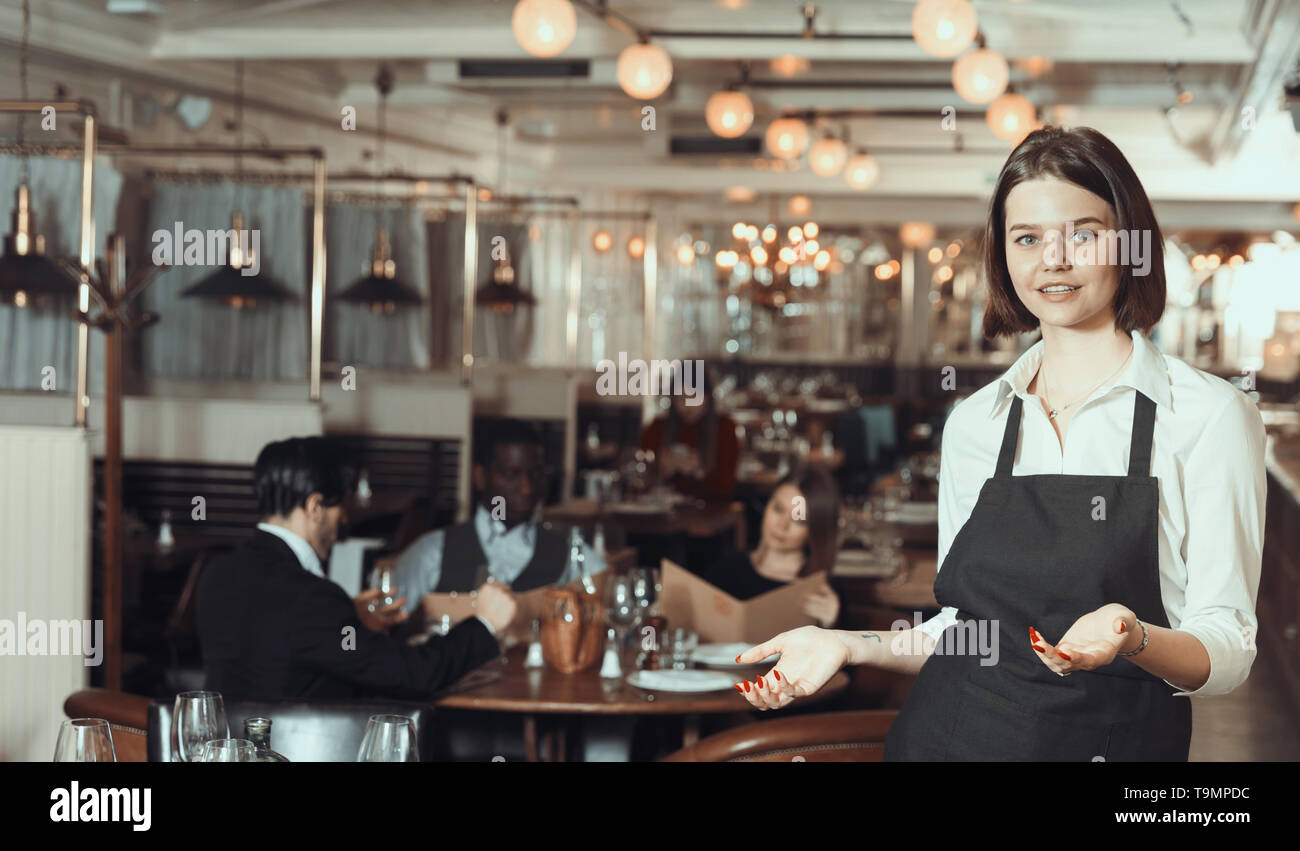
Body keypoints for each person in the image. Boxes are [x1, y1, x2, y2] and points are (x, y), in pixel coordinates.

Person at [733, 125, 1266, 762]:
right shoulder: (977, 422)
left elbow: (1228, 643)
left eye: (1084, 233)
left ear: (1130, 244)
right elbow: (965, 628)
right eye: (1028, 238)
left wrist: (1136, 637)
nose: (1054, 260)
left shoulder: (1206, 415)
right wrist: (849, 644)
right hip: (946, 739)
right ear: (1005, 257)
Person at [195, 437, 516, 701]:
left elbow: (275, 642)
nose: (344, 520)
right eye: (340, 507)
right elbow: (416, 675)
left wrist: (350, 618)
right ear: (314, 507)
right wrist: (485, 623)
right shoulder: (312, 598)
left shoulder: (216, 574)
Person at [393, 418, 606, 610]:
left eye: (535, 474)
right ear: (480, 477)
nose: (526, 488)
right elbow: (388, 628)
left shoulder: (573, 556)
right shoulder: (431, 554)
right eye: (511, 474)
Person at [696, 466, 841, 628]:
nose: (782, 525)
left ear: (815, 530)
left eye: (798, 520)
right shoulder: (724, 569)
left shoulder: (823, 595)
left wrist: (831, 626)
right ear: (767, 506)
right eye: (778, 510)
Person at [638, 365, 740, 502]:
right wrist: (659, 469)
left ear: (708, 397)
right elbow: (638, 480)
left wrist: (698, 470)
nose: (687, 405)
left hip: (709, 514)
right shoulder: (657, 427)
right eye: (680, 398)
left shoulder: (725, 428)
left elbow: (727, 488)